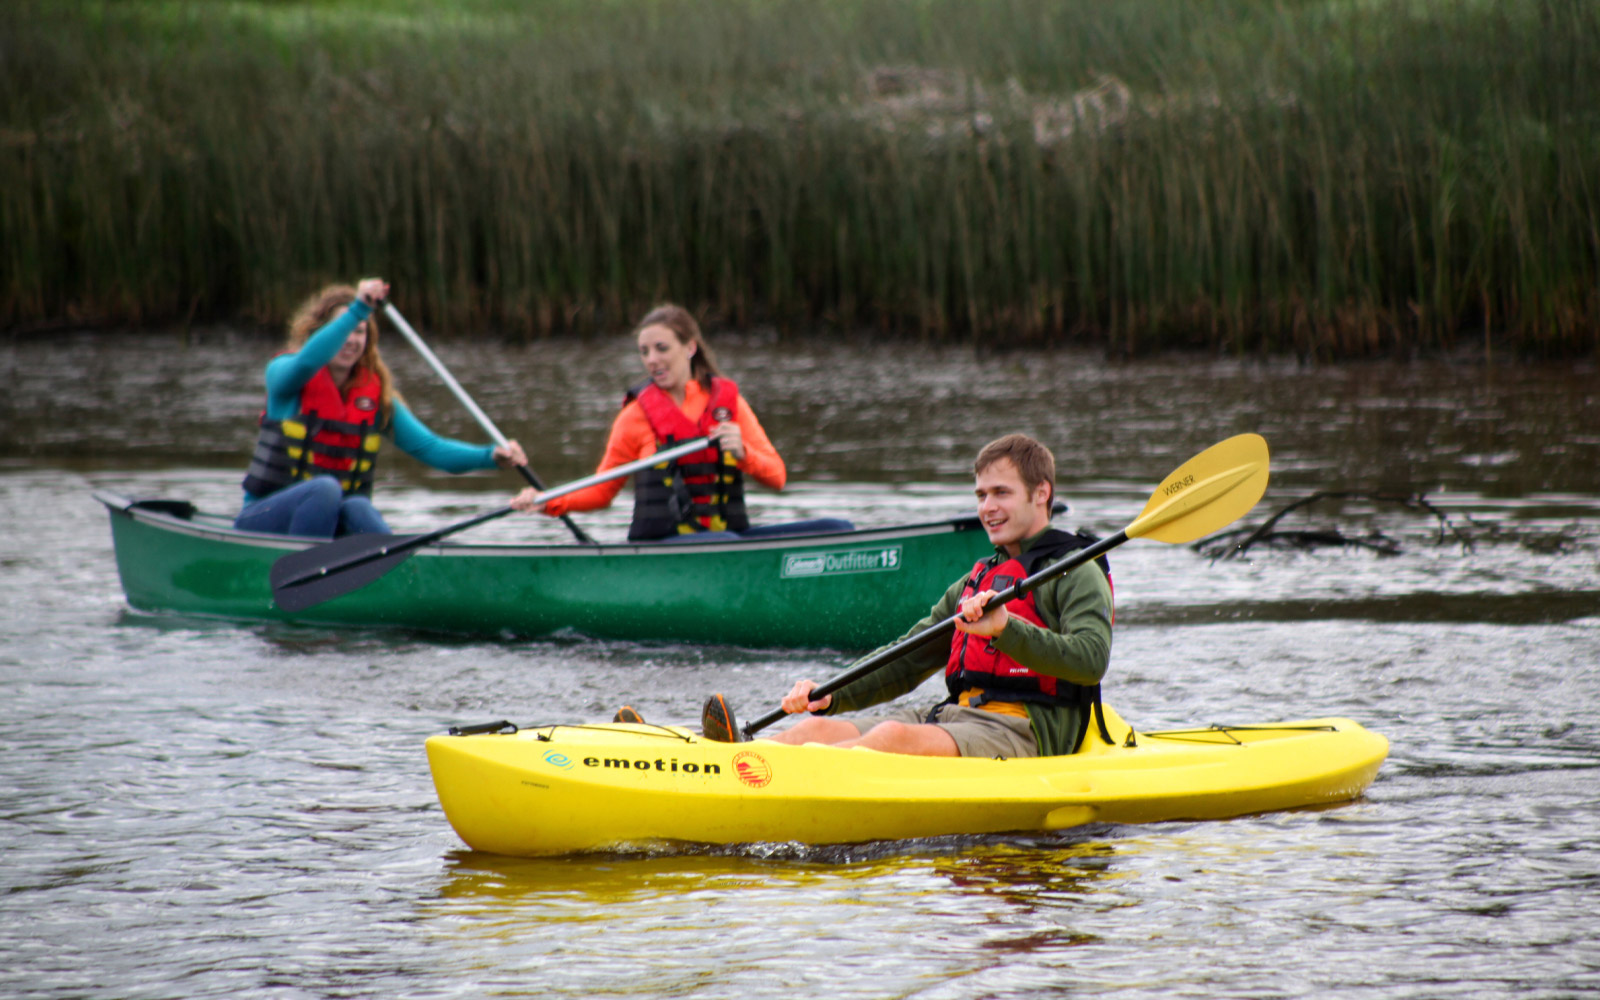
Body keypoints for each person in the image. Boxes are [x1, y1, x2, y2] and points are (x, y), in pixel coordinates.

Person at [702, 433, 1114, 757]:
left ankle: (766, 779)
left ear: (1041, 493)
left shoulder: (1076, 570)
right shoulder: (980, 578)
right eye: (981, 495)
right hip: (961, 716)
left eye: (1001, 493)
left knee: (891, 737)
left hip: (1027, 729)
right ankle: (738, 763)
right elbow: (906, 657)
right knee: (816, 729)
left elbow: (1091, 660)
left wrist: (1006, 628)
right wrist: (832, 694)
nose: (987, 507)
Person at [510, 303, 851, 541]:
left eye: (661, 348)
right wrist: (548, 501)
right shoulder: (634, 417)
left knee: (839, 530)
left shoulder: (729, 406)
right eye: (644, 352)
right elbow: (602, 492)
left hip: (729, 540)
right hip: (666, 544)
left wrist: (744, 452)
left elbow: (777, 477)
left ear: (689, 347)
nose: (652, 360)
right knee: (726, 545)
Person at [236, 277, 526, 538]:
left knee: (358, 507)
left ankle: (401, 577)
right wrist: (358, 311)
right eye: (345, 330)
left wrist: (491, 457)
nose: (351, 340)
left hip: (330, 528)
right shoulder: (284, 375)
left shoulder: (375, 399)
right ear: (321, 334)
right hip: (263, 521)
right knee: (325, 490)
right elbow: (308, 362)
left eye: (360, 332)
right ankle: (302, 576)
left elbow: (432, 449)